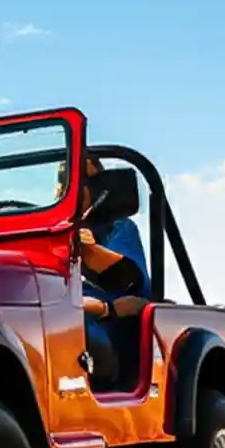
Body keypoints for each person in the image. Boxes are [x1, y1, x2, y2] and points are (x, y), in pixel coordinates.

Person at [71, 157, 150, 384]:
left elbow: (130, 281)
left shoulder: (117, 228)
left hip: (110, 334)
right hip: (55, 325)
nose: (67, 187)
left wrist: (88, 250)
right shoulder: (46, 235)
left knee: (81, 330)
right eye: (63, 180)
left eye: (79, 180)